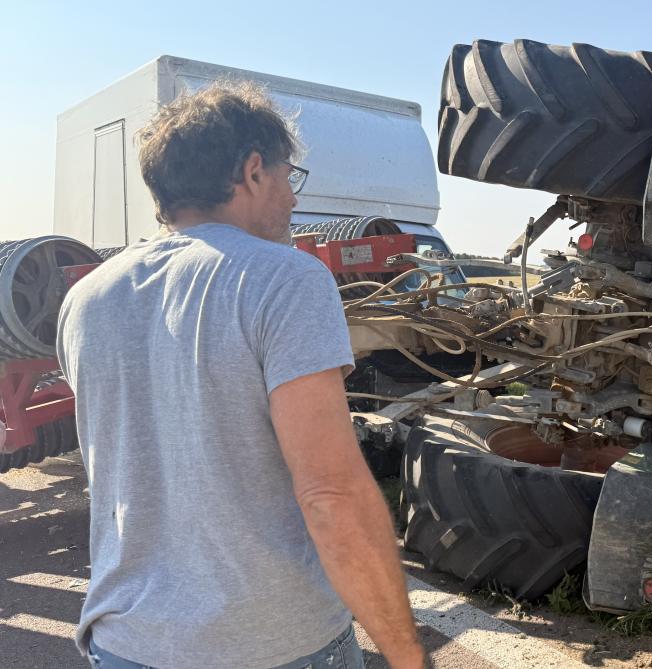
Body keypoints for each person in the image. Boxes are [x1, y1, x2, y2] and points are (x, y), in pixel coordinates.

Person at [56, 81, 425, 669]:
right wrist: (407, 656)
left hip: (125, 642)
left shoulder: (87, 299)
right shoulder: (287, 279)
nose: (294, 199)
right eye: (288, 176)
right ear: (253, 171)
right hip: (272, 643)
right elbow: (331, 494)